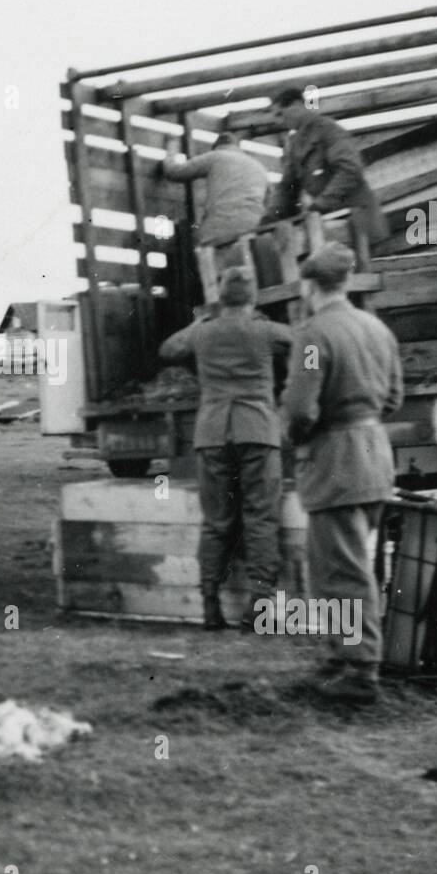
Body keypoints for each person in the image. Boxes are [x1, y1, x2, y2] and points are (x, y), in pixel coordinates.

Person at [281, 242, 403, 704]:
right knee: (350, 564)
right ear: (346, 283)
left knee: (341, 571)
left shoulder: (314, 335)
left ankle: (359, 669)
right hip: (374, 454)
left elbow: (299, 407)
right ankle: (341, 657)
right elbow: (393, 397)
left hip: (335, 461)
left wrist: (297, 435)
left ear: (310, 287)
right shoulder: (377, 329)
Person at [159, 267, 293, 631]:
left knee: (216, 521)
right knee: (261, 517)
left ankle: (209, 605)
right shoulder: (265, 330)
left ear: (220, 297)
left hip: (213, 432)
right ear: (254, 297)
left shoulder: (203, 331)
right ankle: (259, 608)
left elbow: (168, 349)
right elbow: (305, 343)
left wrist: (200, 329)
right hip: (258, 429)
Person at [265, 86, 389, 247]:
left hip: (359, 221)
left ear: (297, 104)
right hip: (336, 226)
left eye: (281, 114)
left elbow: (350, 169)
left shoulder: (328, 130)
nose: (280, 121)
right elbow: (288, 186)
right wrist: (272, 216)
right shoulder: (294, 144)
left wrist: (321, 204)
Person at [162, 125, 269, 304]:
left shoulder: (216, 157)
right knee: (247, 276)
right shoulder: (259, 167)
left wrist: (171, 147)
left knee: (211, 277)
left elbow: (174, 172)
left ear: (217, 147)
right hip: (253, 230)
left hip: (219, 231)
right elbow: (269, 201)